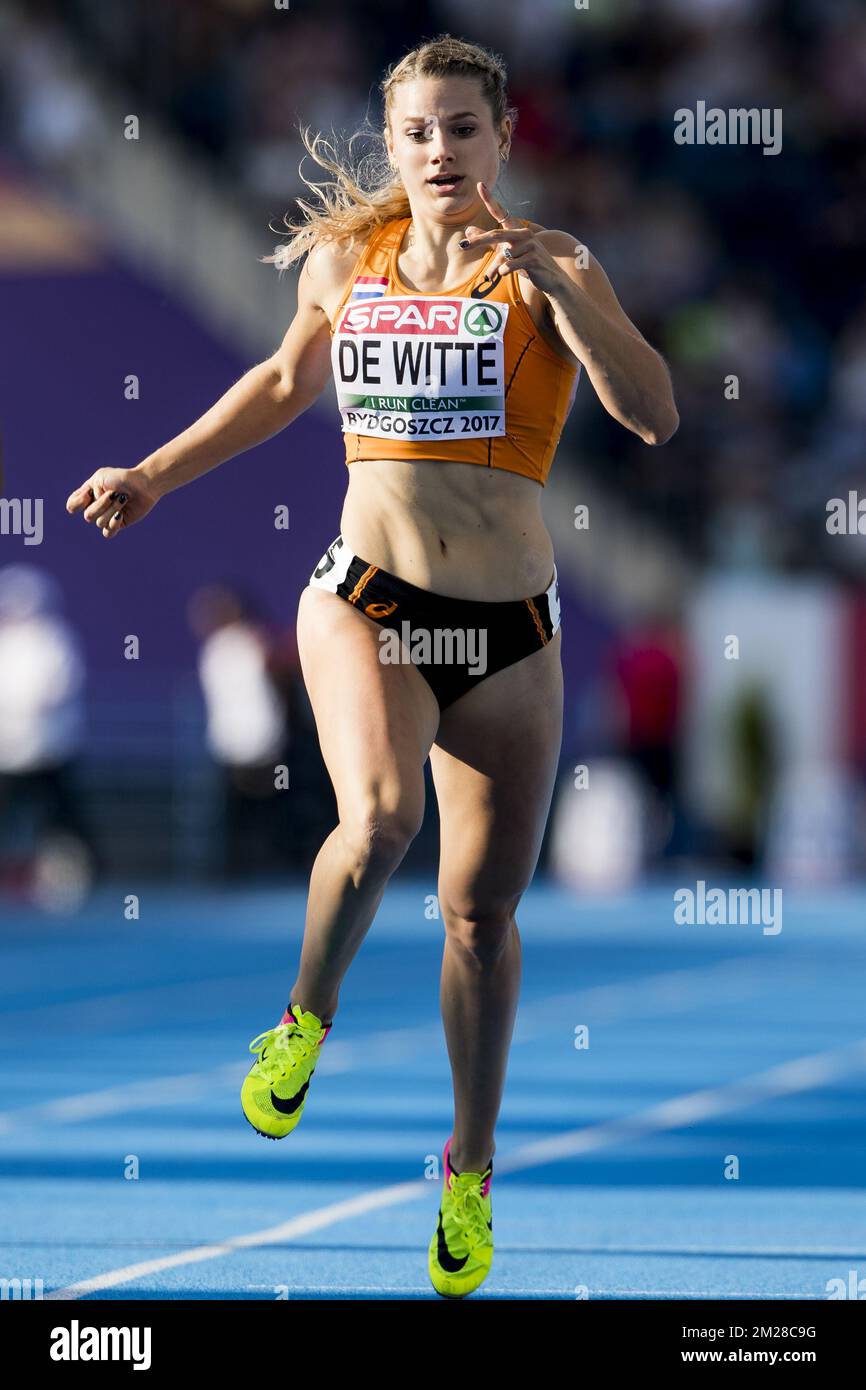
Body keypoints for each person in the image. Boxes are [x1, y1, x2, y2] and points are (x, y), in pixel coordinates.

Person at [65, 34, 678, 1299]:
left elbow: (652, 410)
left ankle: (469, 1166)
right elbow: (283, 379)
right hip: (368, 601)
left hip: (508, 628)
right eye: (416, 132)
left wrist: (561, 296)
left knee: (478, 915)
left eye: (462, 128)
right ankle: (302, 1017)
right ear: (389, 143)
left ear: (502, 139)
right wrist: (151, 474)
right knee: (380, 815)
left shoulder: (553, 262)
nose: (439, 152)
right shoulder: (354, 259)